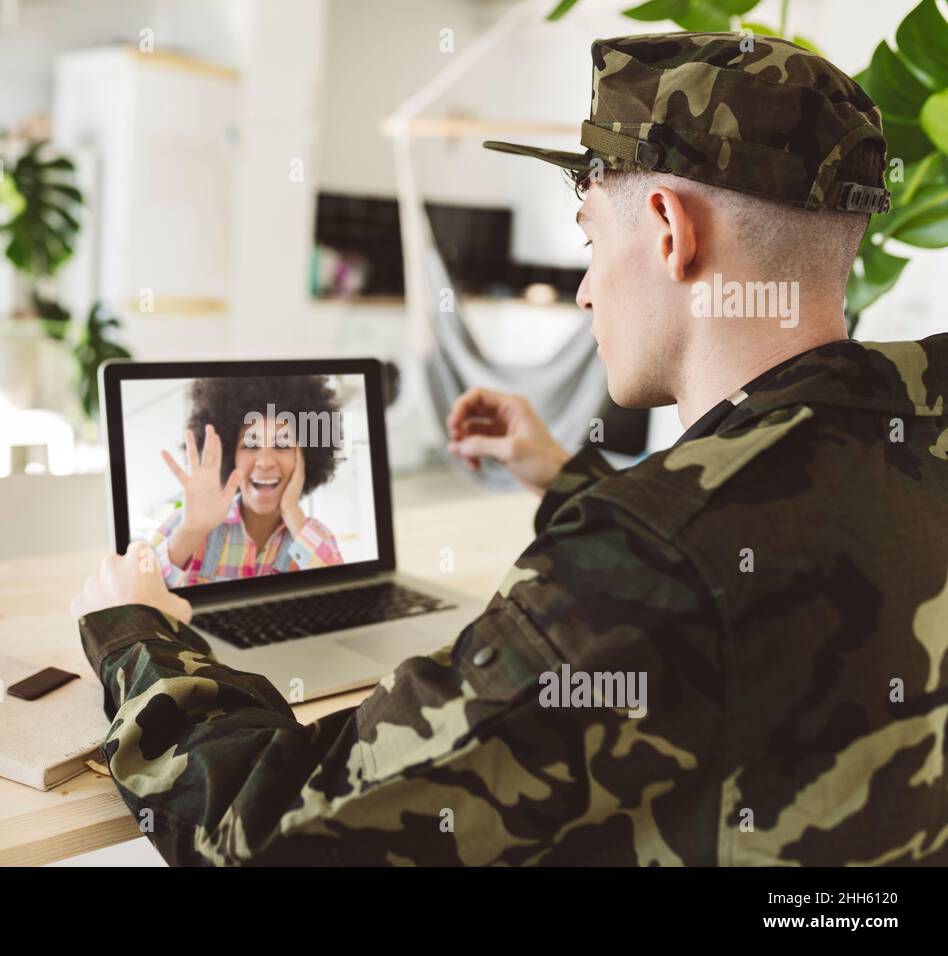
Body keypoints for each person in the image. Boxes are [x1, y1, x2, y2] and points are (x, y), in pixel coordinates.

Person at [69, 33, 948, 865]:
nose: (585, 291)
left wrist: (135, 634)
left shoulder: (637, 562)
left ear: (671, 232)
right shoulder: (919, 417)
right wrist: (565, 477)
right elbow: (755, 542)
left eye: (591, 240)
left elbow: (265, 837)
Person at [149, 375, 345, 585]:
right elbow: (136, 598)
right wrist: (191, 531)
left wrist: (291, 512)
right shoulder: (187, 522)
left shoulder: (313, 536)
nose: (265, 462)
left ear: (306, 457)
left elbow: (346, 596)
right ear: (230, 454)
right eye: (250, 445)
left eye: (282, 445)